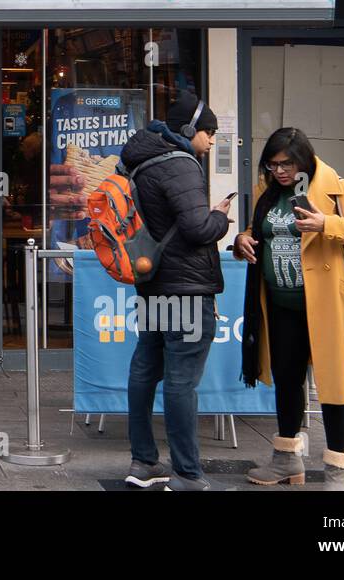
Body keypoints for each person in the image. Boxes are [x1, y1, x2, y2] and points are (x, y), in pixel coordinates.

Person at [233, 127, 344, 491]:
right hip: (280, 305)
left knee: (335, 389)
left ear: (306, 160)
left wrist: (327, 223)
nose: (279, 171)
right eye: (272, 164)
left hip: (328, 306)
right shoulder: (266, 192)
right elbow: (258, 230)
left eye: (286, 163)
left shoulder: (340, 190)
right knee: (287, 381)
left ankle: (336, 473)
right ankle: (287, 459)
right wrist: (242, 240)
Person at [118, 92, 231, 491]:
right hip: (186, 287)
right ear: (189, 131)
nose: (213, 140)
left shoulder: (143, 162)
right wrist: (221, 216)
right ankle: (185, 473)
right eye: (209, 132)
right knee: (182, 381)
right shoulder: (182, 165)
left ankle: (143, 461)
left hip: (154, 285)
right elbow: (198, 229)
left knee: (145, 368)